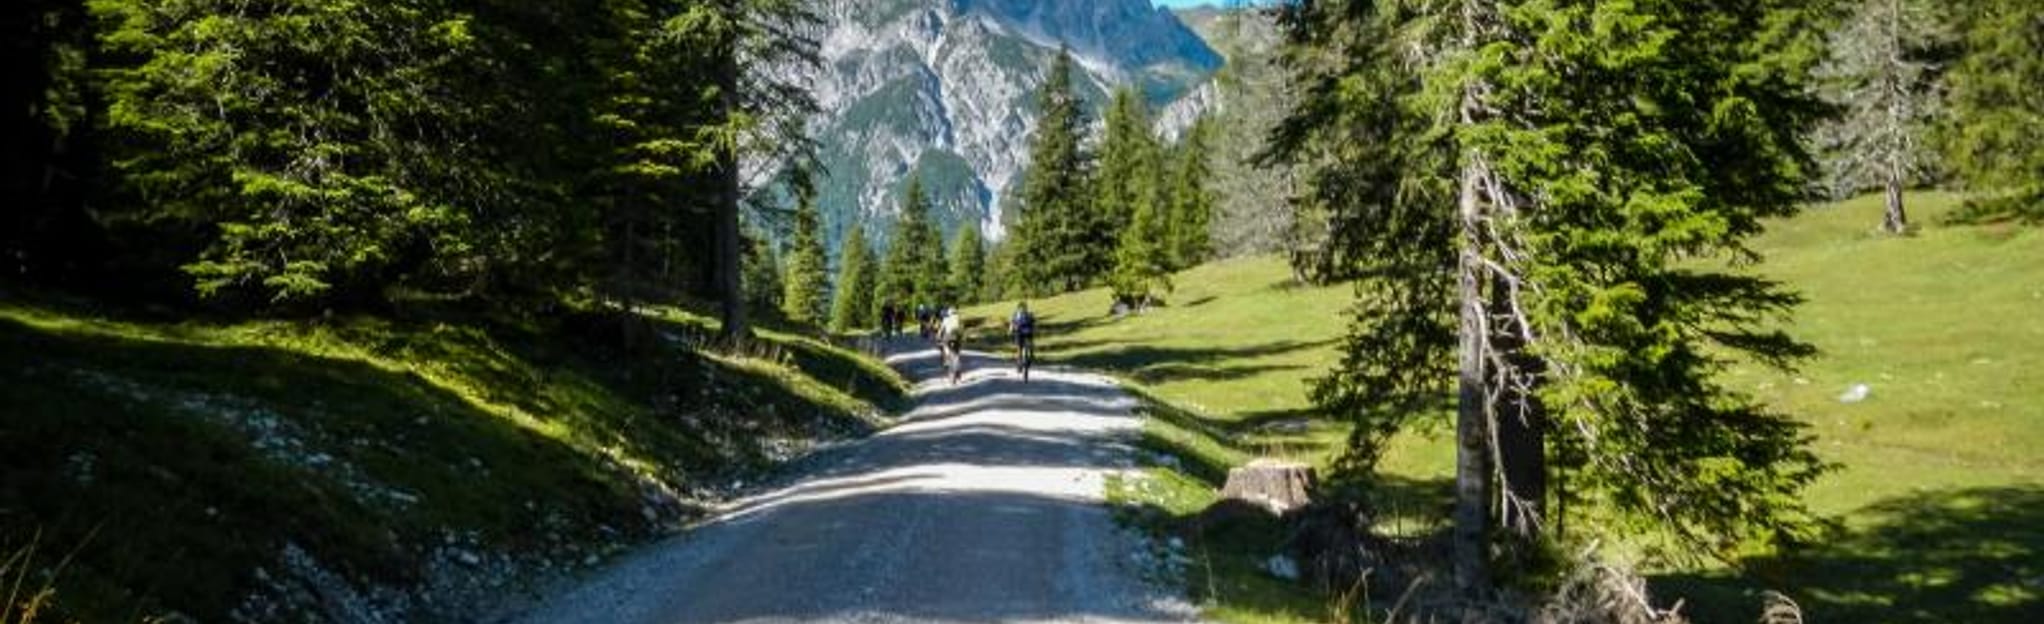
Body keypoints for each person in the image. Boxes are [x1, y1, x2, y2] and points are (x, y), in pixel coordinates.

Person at [937, 307, 965, 384]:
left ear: (948, 313)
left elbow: (940, 330)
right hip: (957, 338)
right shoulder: (959, 319)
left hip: (948, 338)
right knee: (957, 355)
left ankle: (947, 360)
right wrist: (962, 338)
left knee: (946, 350)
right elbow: (962, 330)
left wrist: (938, 337)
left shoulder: (945, 319)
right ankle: (959, 377)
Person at [1009, 301, 1036, 382]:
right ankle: (1023, 363)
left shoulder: (1016, 315)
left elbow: (1011, 325)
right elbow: (1034, 324)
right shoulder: (1029, 314)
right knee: (1023, 349)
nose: (1022, 309)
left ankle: (1020, 365)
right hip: (1027, 334)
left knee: (1020, 349)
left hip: (1022, 335)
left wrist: (1010, 330)